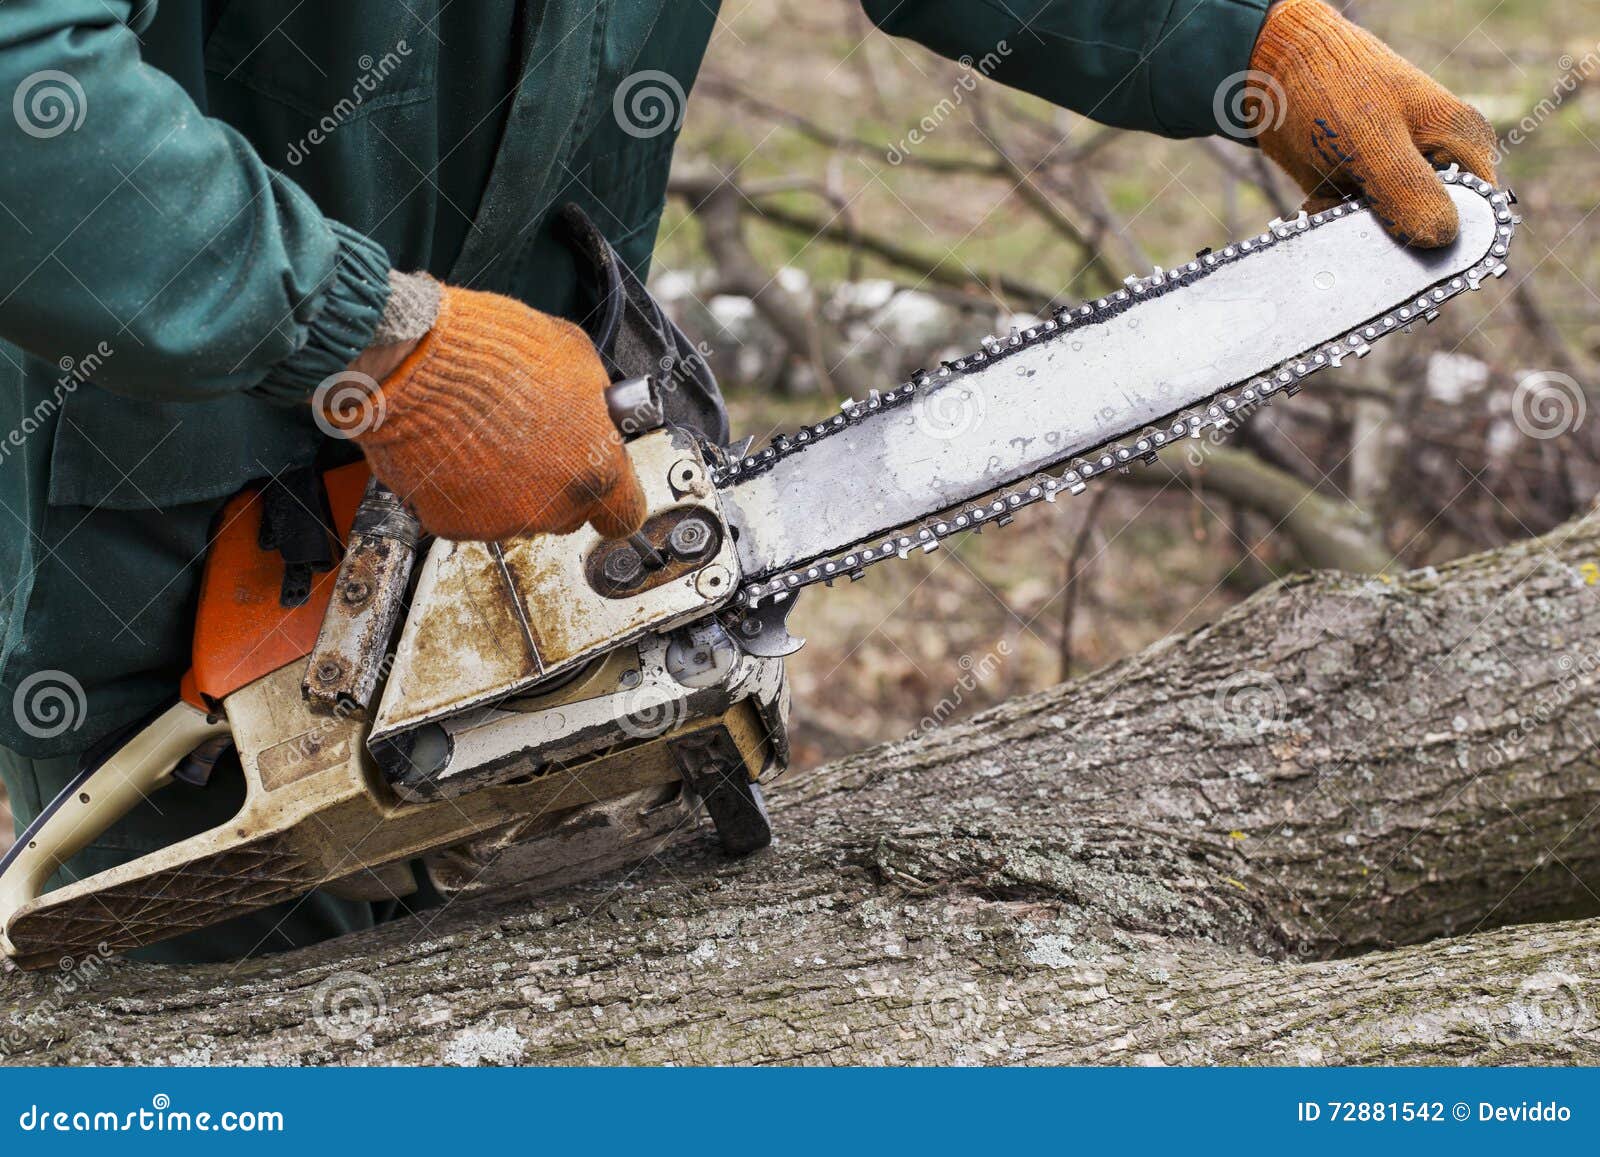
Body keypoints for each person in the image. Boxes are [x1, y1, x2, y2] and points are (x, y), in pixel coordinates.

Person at [0, 0, 1498, 962]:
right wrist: (368, 336)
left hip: (537, 455)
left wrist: (1243, 36)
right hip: (153, 493)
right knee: (197, 1005)